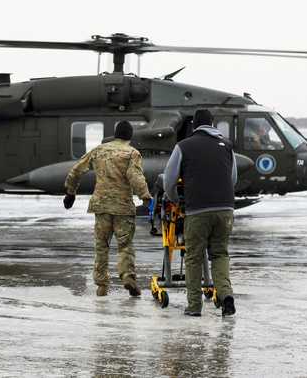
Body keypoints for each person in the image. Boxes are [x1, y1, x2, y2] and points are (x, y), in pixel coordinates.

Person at [63, 120, 152, 298]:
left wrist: (70, 192)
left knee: (101, 246)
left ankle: (102, 286)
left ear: (115, 134)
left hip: (101, 205)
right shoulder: (132, 153)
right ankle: (128, 277)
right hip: (122, 207)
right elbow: (135, 176)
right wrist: (146, 197)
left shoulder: (99, 150)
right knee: (125, 245)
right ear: (130, 136)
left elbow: (76, 170)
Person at [163, 109, 238, 317]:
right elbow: (233, 179)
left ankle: (194, 306)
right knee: (220, 254)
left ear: (194, 125)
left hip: (197, 210)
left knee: (194, 257)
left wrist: (175, 199)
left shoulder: (183, 146)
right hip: (225, 209)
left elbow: (169, 180)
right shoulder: (227, 146)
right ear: (212, 124)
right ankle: (226, 295)